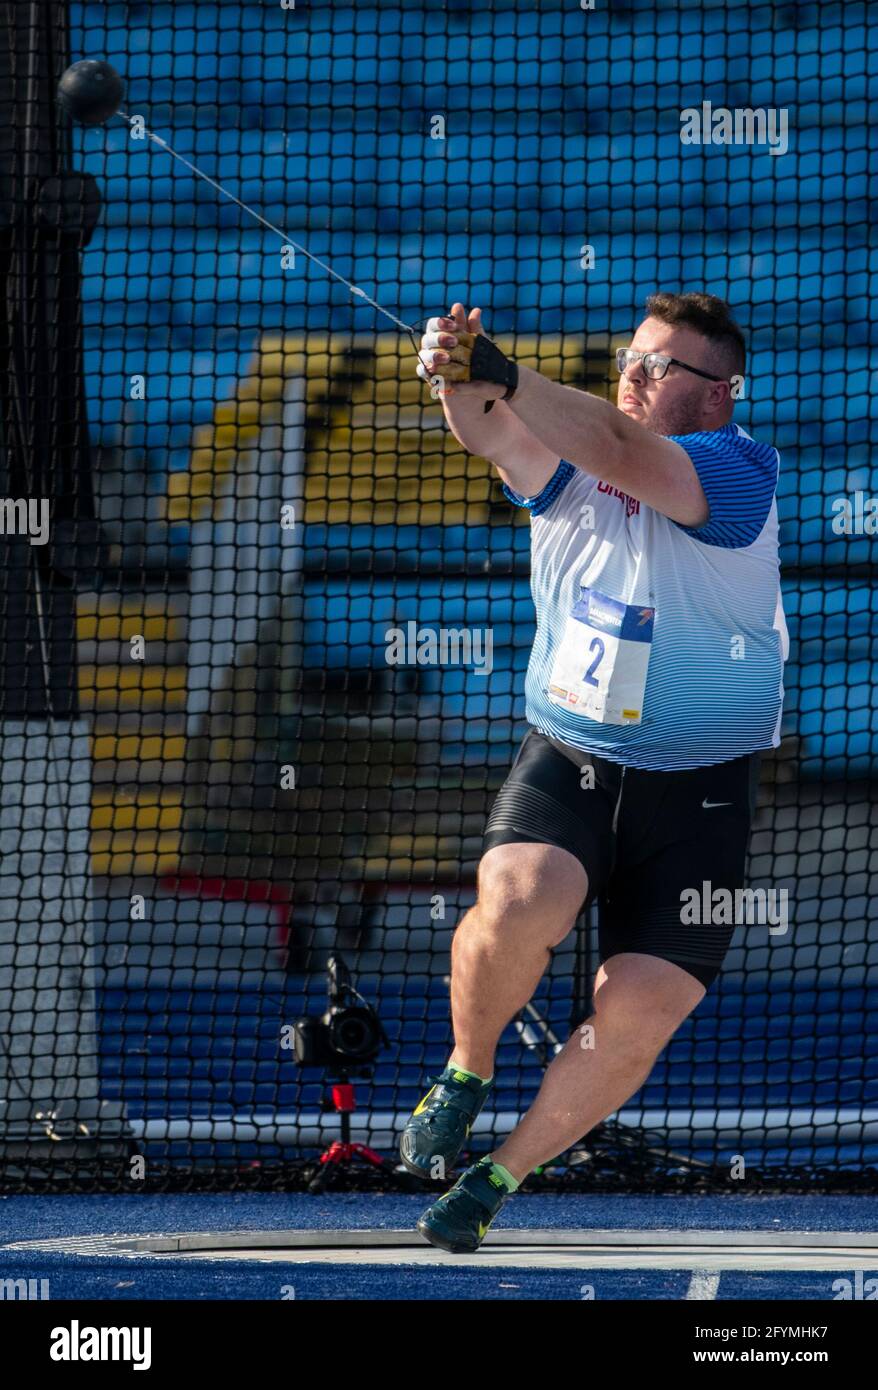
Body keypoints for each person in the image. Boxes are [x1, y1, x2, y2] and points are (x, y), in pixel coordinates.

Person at [400, 292, 787, 1252]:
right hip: (572, 758)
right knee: (524, 898)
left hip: (700, 789)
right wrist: (458, 371)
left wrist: (503, 371)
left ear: (716, 397)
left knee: (642, 1011)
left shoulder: (739, 471)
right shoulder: (573, 461)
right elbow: (490, 429)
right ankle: (466, 1068)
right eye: (633, 356)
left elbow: (617, 445)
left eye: (662, 366)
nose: (636, 371)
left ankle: (497, 1177)